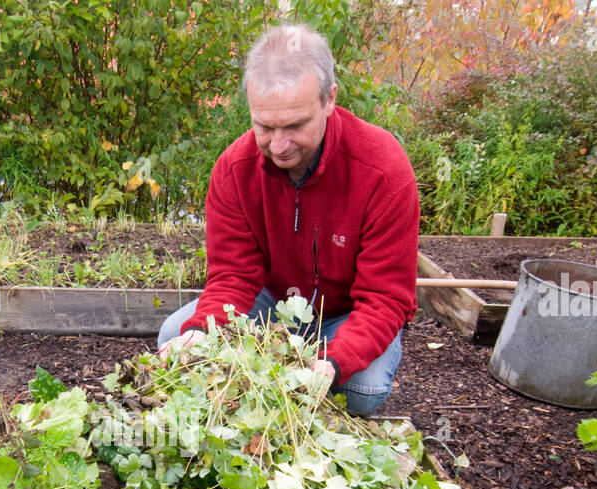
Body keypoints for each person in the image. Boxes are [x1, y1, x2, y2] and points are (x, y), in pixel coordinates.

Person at [156, 23, 418, 416]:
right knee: (177, 336)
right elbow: (233, 278)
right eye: (264, 126)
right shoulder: (234, 171)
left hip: (346, 315)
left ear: (329, 99)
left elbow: (385, 299)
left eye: (295, 126)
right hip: (270, 302)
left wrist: (334, 361)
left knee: (362, 389)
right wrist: (199, 332)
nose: (278, 146)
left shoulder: (382, 169)